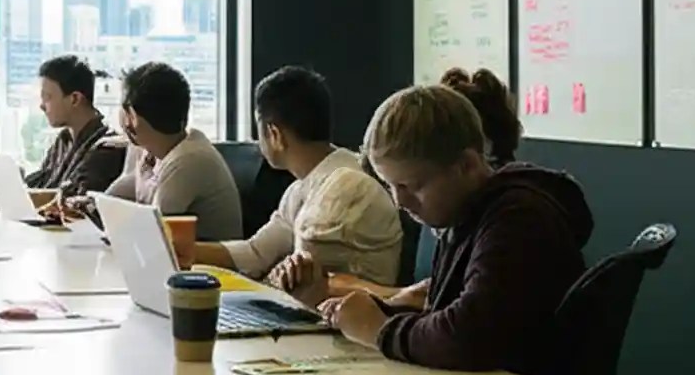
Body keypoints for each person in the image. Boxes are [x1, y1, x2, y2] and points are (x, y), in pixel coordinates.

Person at [317, 83, 592, 375]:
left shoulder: (519, 219)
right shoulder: (469, 214)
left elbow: (469, 335)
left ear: (467, 164)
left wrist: (379, 330)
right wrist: (386, 310)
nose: (400, 203)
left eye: (413, 186)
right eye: (390, 187)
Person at [192, 66, 402, 306]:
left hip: (342, 333)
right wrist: (176, 248)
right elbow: (256, 253)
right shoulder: (307, 184)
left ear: (274, 134)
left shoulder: (346, 187)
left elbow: (301, 282)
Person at [342, 67, 524, 307]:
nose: (400, 201)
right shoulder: (451, 216)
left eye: (413, 185)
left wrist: (374, 313)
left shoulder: (509, 222)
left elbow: (460, 328)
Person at [104, 61, 242, 241]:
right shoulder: (148, 146)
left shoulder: (188, 160)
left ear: (132, 117)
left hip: (207, 265)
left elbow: (153, 232)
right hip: (175, 260)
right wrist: (86, 205)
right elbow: (128, 188)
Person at [24, 55, 126, 197]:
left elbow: (73, 201)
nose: (42, 106)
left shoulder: (107, 148)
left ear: (75, 99)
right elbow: (44, 184)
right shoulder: (63, 141)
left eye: (47, 97)